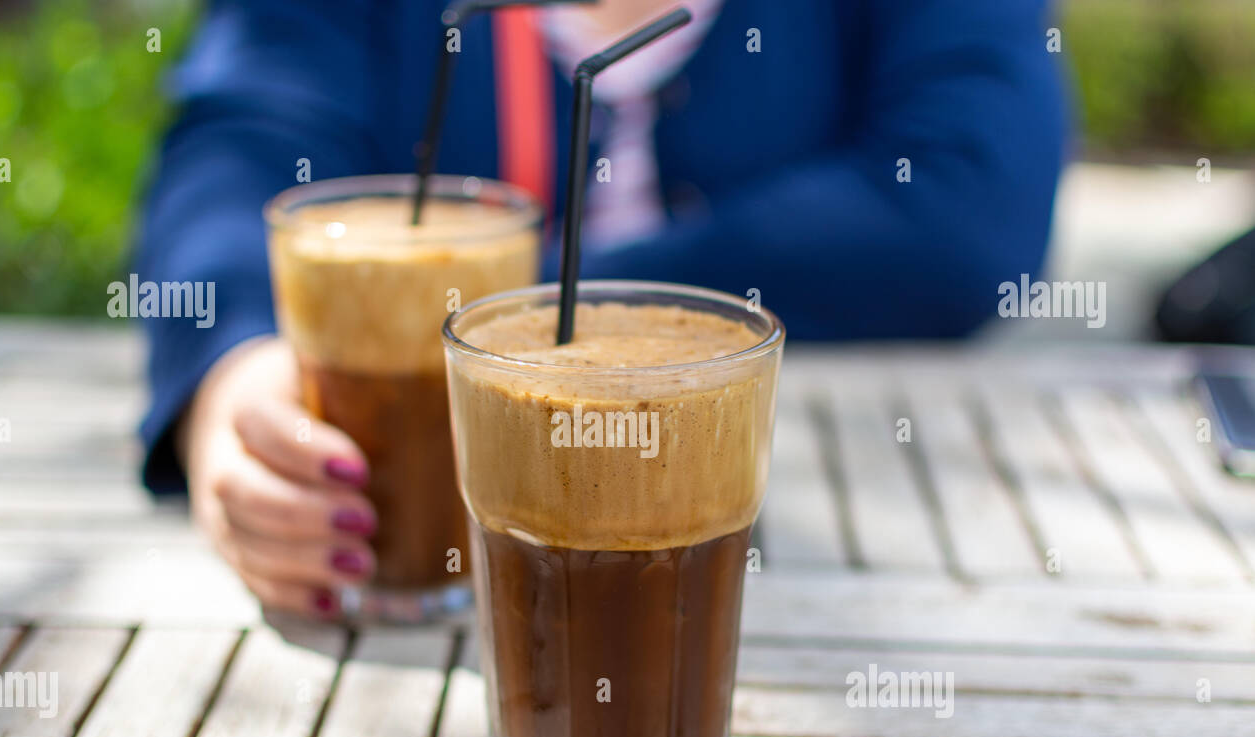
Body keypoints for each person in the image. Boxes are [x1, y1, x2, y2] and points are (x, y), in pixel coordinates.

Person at [136, 0, 1067, 617]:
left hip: (838, 568)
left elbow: (968, 206)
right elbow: (235, 152)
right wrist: (231, 372)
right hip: (409, 599)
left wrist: (529, 309)